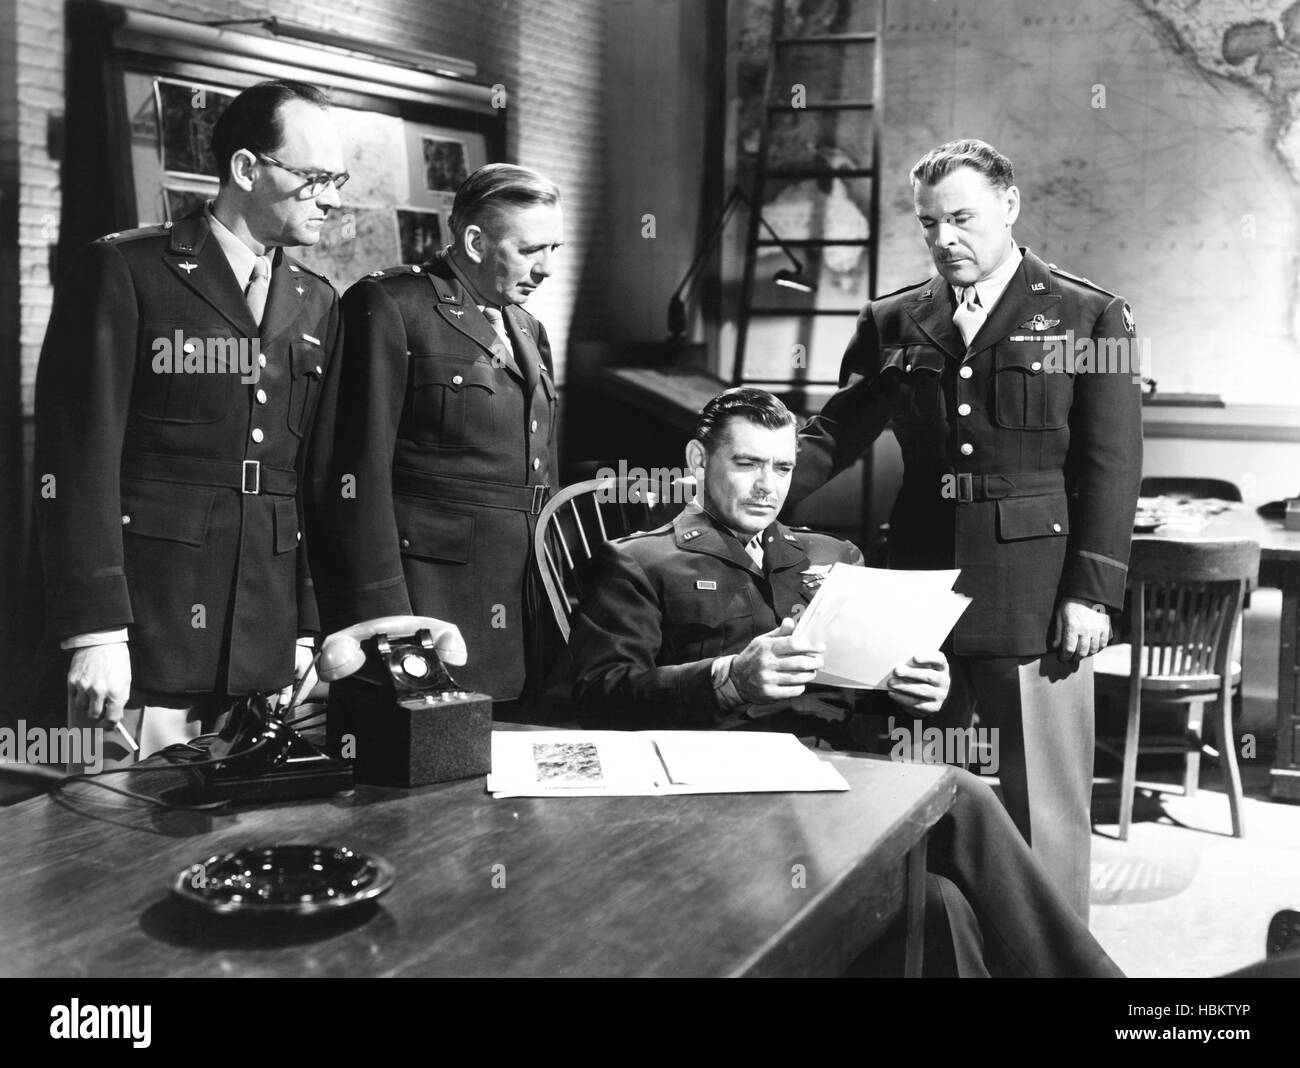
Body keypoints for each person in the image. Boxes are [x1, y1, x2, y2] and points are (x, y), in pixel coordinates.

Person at [568, 388, 1123, 977]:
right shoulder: (641, 562)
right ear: (699, 462)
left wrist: (918, 693)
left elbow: (874, 696)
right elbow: (599, 696)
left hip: (843, 775)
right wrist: (728, 679)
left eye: (782, 467)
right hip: (724, 788)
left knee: (942, 903)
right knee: (960, 794)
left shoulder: (831, 556)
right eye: (747, 463)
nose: (767, 486)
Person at [785, 139, 1144, 919]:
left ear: (1009, 207)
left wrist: (1093, 594)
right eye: (928, 224)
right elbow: (834, 434)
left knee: (1039, 810)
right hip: (922, 594)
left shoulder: (1090, 313)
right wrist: (744, 491)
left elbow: (1112, 465)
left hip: (1036, 598)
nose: (944, 239)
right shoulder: (892, 320)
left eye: (962, 218)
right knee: (926, 795)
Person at [34, 79, 346, 763]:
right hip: (148, 641)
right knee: (119, 849)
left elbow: (305, 485)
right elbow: (75, 459)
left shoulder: (316, 302)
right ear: (245, 168)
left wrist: (304, 628)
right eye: (316, 177)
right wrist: (95, 631)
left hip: (264, 651)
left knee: (244, 851)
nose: (333, 196)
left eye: (339, 179)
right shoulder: (129, 269)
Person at [307, 164, 563, 708]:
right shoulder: (393, 306)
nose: (545, 269)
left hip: (520, 598)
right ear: (474, 240)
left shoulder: (528, 329)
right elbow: (356, 470)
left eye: (553, 250)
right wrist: (383, 611)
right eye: (531, 249)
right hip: (430, 594)